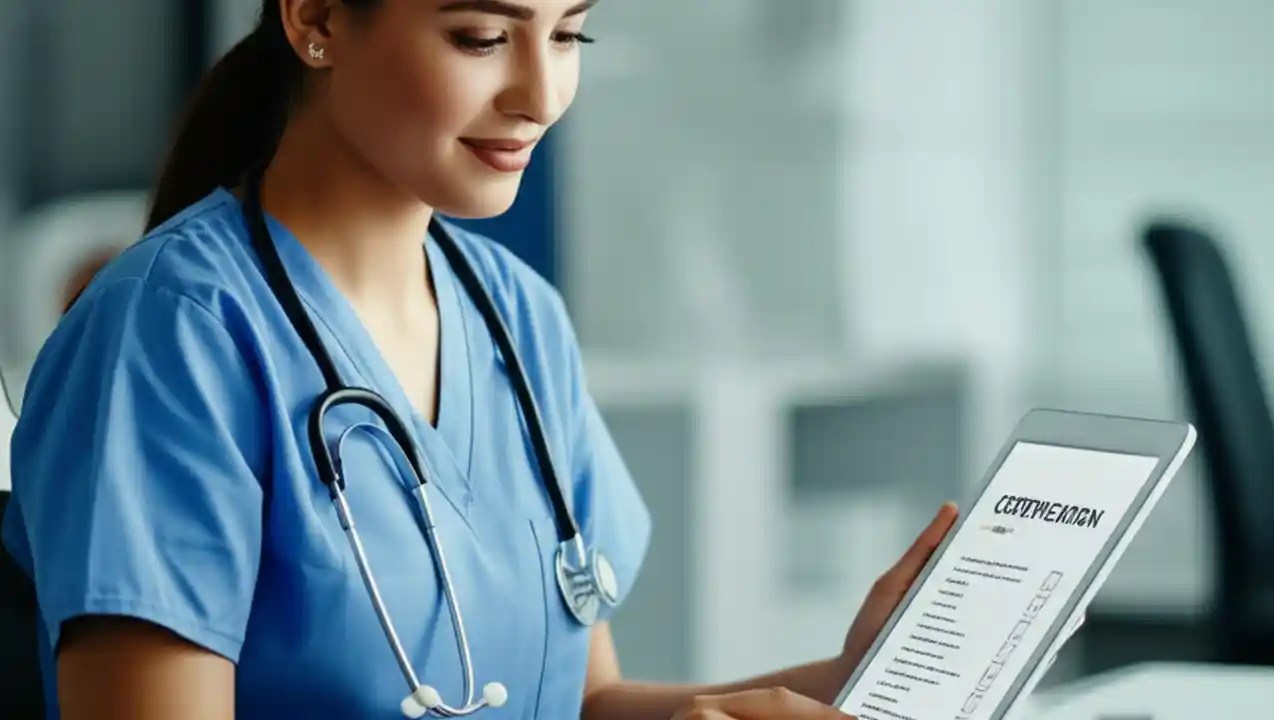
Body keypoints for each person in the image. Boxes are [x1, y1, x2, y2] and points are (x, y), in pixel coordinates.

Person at [0, 1, 959, 718]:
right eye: (482, 38)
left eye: (570, 34)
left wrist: (854, 677)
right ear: (318, 20)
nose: (541, 96)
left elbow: (582, 701)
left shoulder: (517, 316)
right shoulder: (172, 333)